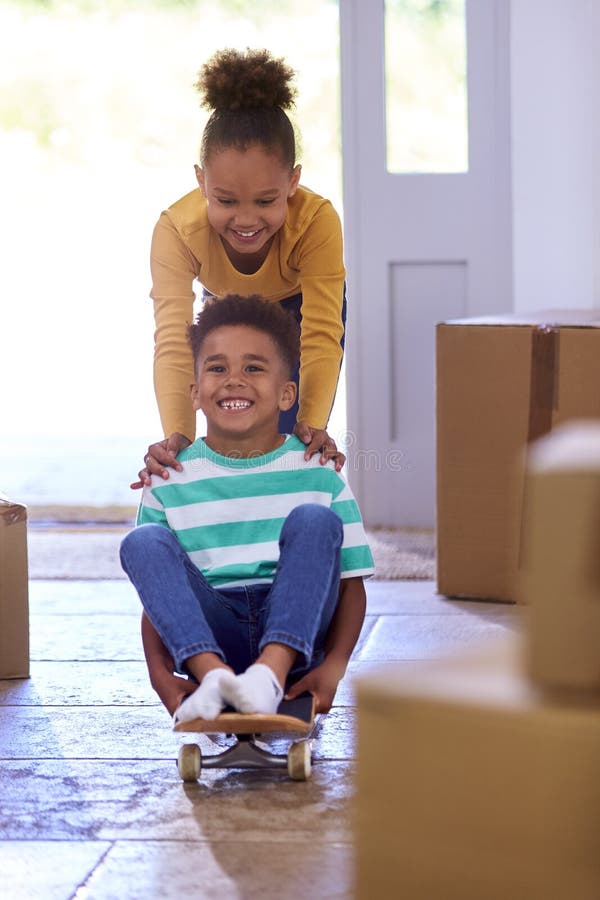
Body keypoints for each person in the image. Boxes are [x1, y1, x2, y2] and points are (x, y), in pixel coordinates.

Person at [120, 294, 374, 723]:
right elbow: (159, 598)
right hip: (211, 633)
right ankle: (215, 676)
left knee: (315, 519)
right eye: (217, 368)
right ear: (196, 392)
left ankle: (268, 677)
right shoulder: (169, 478)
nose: (234, 380)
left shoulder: (318, 471)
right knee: (142, 541)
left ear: (286, 393)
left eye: (254, 368)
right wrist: (160, 676)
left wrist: (334, 669)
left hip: (296, 634)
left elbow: (350, 586)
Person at [132, 47, 347, 491]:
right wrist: (180, 435)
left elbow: (322, 334)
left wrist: (311, 425)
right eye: (225, 200)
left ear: (292, 182)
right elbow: (173, 341)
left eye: (266, 201)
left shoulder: (317, 221)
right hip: (228, 309)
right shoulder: (176, 230)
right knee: (229, 423)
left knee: (280, 432)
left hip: (300, 311)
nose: (246, 220)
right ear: (201, 182)